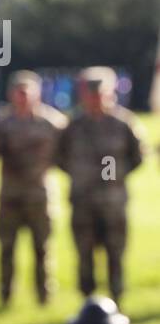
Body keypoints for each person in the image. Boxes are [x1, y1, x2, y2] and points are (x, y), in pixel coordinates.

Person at [56, 66, 147, 303]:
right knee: (84, 253)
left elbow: (137, 157)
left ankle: (116, 301)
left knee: (115, 253)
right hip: (82, 201)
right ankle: (88, 304)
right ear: (83, 94)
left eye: (100, 93)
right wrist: (82, 176)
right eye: (90, 93)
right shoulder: (73, 125)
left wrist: (114, 178)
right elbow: (60, 157)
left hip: (113, 203)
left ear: (110, 93)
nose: (95, 98)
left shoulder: (123, 123)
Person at [0, 71, 67, 305]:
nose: (23, 97)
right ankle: (5, 295)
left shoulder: (52, 122)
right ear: (11, 94)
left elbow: (65, 153)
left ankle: (44, 295)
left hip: (39, 194)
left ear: (37, 93)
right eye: (19, 92)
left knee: (42, 248)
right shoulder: (1, 123)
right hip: (10, 195)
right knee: (6, 248)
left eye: (27, 92)